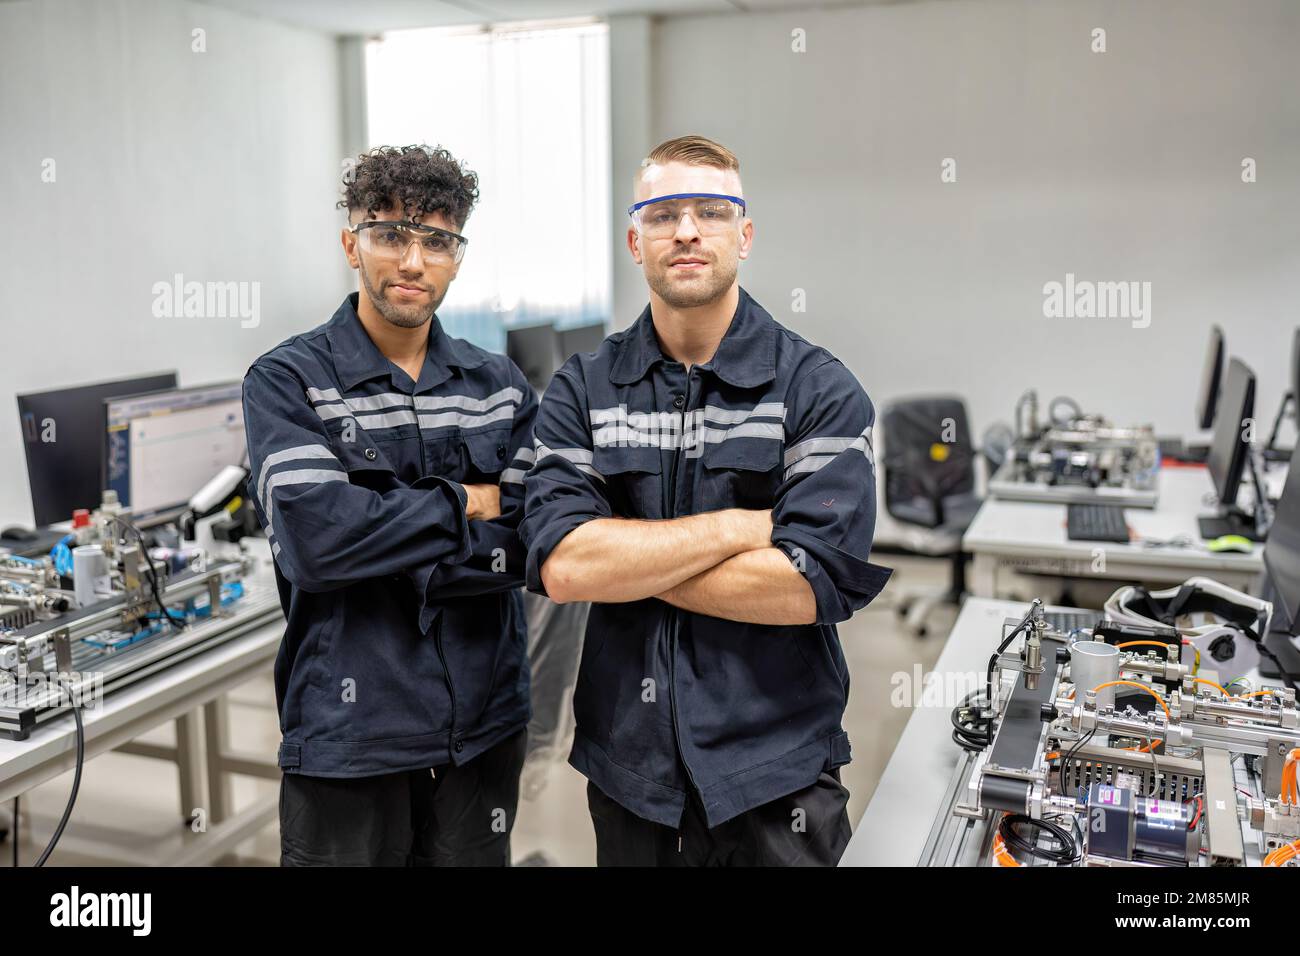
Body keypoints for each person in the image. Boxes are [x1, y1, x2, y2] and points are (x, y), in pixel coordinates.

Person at [521, 134, 892, 866]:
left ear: (743, 235)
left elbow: (808, 585)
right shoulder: (583, 389)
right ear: (635, 239)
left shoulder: (815, 387)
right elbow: (565, 568)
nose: (686, 230)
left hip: (775, 767)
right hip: (630, 769)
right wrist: (742, 527)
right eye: (663, 215)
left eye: (711, 212)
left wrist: (629, 557)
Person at [242, 145, 536, 866]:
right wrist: (468, 502)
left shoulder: (497, 385)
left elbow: (535, 539)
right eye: (390, 234)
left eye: (436, 240)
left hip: (483, 731)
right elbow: (319, 545)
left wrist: (389, 540)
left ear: (457, 257)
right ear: (352, 244)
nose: (412, 261)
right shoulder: (289, 381)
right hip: (350, 735)